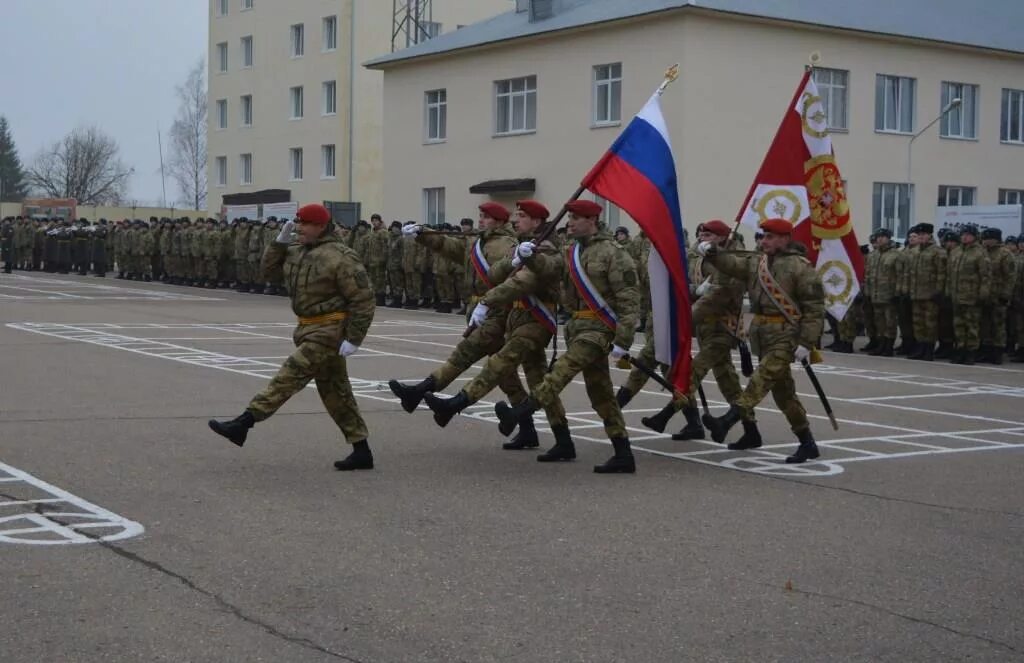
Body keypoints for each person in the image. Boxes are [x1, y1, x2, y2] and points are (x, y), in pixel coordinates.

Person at [209, 204, 377, 471]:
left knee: (288, 375)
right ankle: (361, 450)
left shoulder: (341, 257)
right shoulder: (296, 251)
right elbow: (267, 274)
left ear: (321, 226)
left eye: (305, 224)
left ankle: (244, 422)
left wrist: (354, 338)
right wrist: (278, 244)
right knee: (336, 392)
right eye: (297, 223)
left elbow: (363, 300)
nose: (299, 228)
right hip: (307, 328)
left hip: (328, 332)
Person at [492, 199, 640, 474]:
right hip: (577, 329)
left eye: (575, 217)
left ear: (592, 220)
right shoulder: (571, 251)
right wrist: (530, 257)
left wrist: (623, 341)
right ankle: (623, 453)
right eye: (569, 216)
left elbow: (629, 301)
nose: (569, 222)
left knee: (560, 371)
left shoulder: (614, 254)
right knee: (601, 393)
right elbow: (550, 269)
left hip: (599, 330)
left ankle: (518, 414)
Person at [422, 200, 573, 457]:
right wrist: (515, 258)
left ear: (537, 222)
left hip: (536, 320)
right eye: (516, 216)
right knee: (538, 382)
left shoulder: (546, 249)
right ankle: (563, 441)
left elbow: (521, 283)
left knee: (499, 363)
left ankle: (455, 404)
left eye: (522, 216)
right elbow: (494, 274)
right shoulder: (522, 247)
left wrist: (487, 301)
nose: (516, 220)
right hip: (518, 319)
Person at [699, 218, 825, 464]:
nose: (763, 241)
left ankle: (727, 420)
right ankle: (807, 442)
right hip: (763, 334)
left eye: (769, 237)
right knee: (783, 393)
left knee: (761, 379)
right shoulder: (758, 261)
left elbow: (815, 308)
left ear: (784, 238)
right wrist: (713, 252)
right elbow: (732, 265)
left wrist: (806, 343)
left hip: (786, 334)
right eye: (763, 236)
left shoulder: (800, 267)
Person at [388, 203, 528, 419]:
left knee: (464, 353)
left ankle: (419, 391)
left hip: (496, 312)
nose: (481, 220)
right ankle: (527, 425)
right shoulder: (477, 242)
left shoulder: (506, 245)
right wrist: (423, 233)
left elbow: (510, 282)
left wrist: (489, 305)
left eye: (486, 217)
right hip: (476, 309)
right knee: (504, 374)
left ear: (499, 221)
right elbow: (447, 245)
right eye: (480, 216)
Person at [947, 224, 991, 365]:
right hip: (957, 295)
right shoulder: (956, 252)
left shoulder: (980, 253)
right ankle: (960, 350)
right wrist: (948, 292)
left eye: (968, 234)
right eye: (963, 234)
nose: (964, 237)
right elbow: (950, 274)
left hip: (972, 296)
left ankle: (971, 352)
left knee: (971, 326)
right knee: (958, 325)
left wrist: (983, 294)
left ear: (974, 236)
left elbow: (986, 276)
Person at [904, 223, 946, 361]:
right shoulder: (914, 252)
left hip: (930, 295)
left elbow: (942, 273)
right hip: (916, 293)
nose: (921, 237)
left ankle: (929, 350)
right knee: (918, 323)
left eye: (924, 234)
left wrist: (939, 291)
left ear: (929, 235)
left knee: (930, 324)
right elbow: (909, 273)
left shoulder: (938, 252)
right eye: (919, 234)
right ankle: (920, 348)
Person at [979, 227, 1017, 364]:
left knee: (998, 325)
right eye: (985, 239)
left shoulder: (1005, 254)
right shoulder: (982, 253)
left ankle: (998, 353)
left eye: (989, 239)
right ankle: (986, 351)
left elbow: (1010, 277)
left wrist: (1005, 294)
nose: (986, 242)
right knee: (985, 325)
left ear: (996, 239)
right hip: (985, 295)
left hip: (998, 295)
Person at [862, 228, 902, 357]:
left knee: (890, 322)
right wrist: (867, 292)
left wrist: (897, 293)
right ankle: (881, 345)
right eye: (878, 237)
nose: (880, 239)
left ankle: (888, 347)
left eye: (883, 237)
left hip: (889, 295)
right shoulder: (873, 255)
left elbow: (900, 275)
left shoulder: (896, 255)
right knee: (879, 322)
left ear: (889, 238)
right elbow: (868, 275)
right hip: (875, 295)